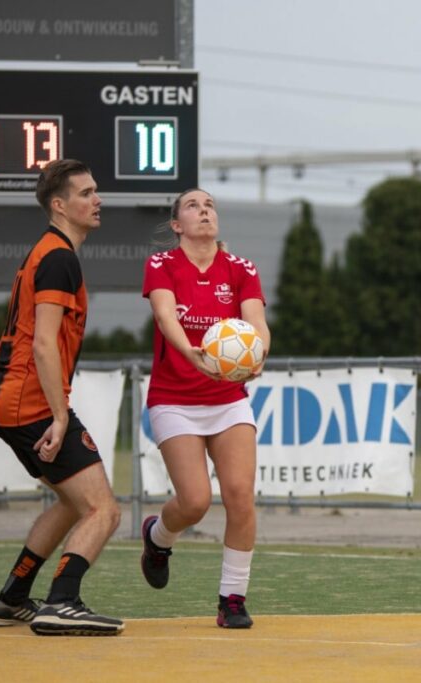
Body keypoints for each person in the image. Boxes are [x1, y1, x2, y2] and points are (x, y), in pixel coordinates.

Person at [0, 159, 123, 636]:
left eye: (95, 190)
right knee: (103, 509)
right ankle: (62, 602)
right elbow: (43, 343)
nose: (96, 199)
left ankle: (12, 597)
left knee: (69, 502)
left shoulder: (50, 252)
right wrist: (60, 417)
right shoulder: (59, 257)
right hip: (32, 404)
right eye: (86, 193)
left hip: (15, 401)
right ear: (59, 205)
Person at [139, 188, 270, 629]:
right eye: (193, 206)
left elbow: (257, 324)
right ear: (177, 224)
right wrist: (192, 353)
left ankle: (231, 598)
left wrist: (257, 355)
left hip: (227, 399)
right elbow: (165, 317)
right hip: (174, 398)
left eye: (210, 205)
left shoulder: (240, 269)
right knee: (195, 502)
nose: (204, 211)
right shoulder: (162, 264)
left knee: (240, 497)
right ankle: (158, 538)